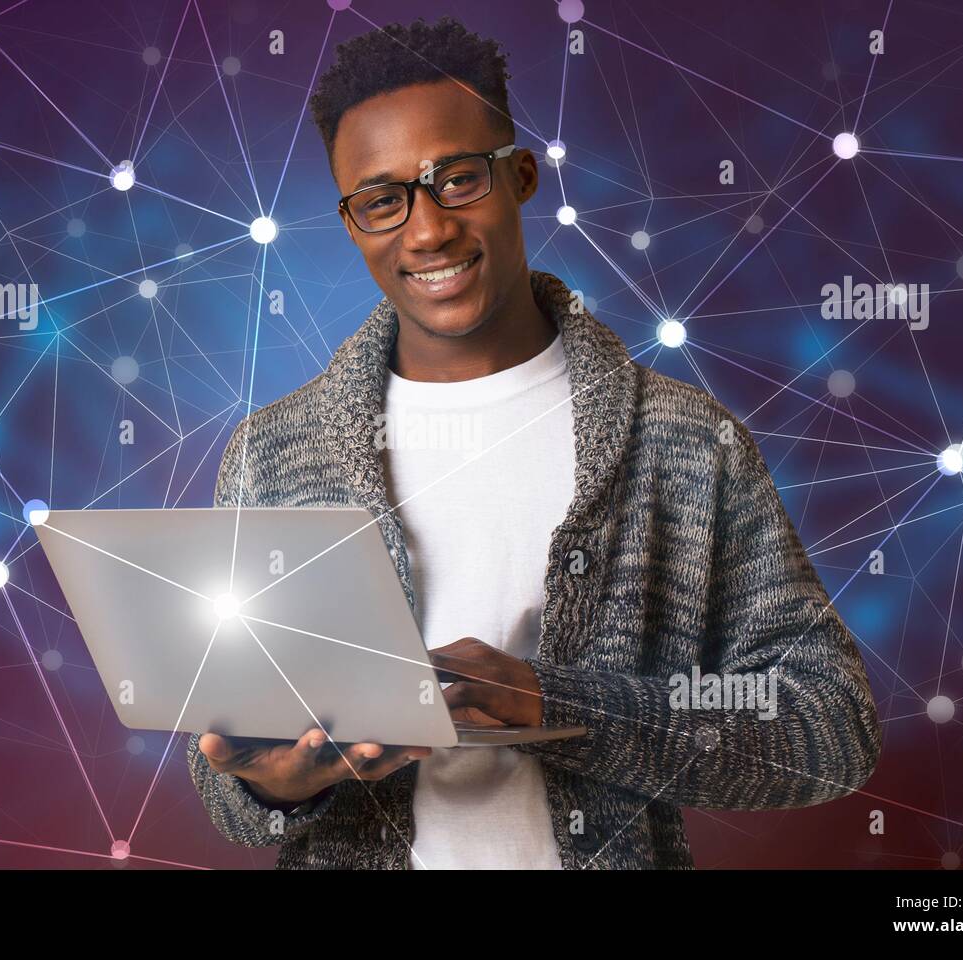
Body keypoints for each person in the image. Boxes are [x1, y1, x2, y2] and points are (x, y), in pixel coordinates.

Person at [187, 15, 881, 869]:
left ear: (519, 177)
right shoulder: (272, 454)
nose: (428, 229)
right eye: (382, 200)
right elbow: (226, 777)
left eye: (457, 181)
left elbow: (828, 725)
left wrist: (560, 704)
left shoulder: (686, 445)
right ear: (353, 224)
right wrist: (276, 783)